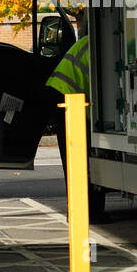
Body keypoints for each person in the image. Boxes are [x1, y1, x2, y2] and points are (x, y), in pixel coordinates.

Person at [44, 31, 90, 178]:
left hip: (60, 90)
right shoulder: (101, 44)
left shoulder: (90, 41)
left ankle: (80, 195)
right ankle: (83, 197)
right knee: (76, 153)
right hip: (69, 96)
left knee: (71, 153)